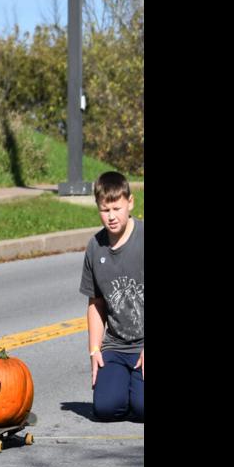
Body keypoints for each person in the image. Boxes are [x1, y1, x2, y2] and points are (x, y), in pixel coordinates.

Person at [80, 172, 143, 422]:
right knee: (105, 409)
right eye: (105, 210)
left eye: (117, 208)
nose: (112, 216)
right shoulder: (95, 247)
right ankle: (125, 385)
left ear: (131, 202)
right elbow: (96, 303)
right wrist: (95, 349)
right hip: (116, 346)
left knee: (142, 408)